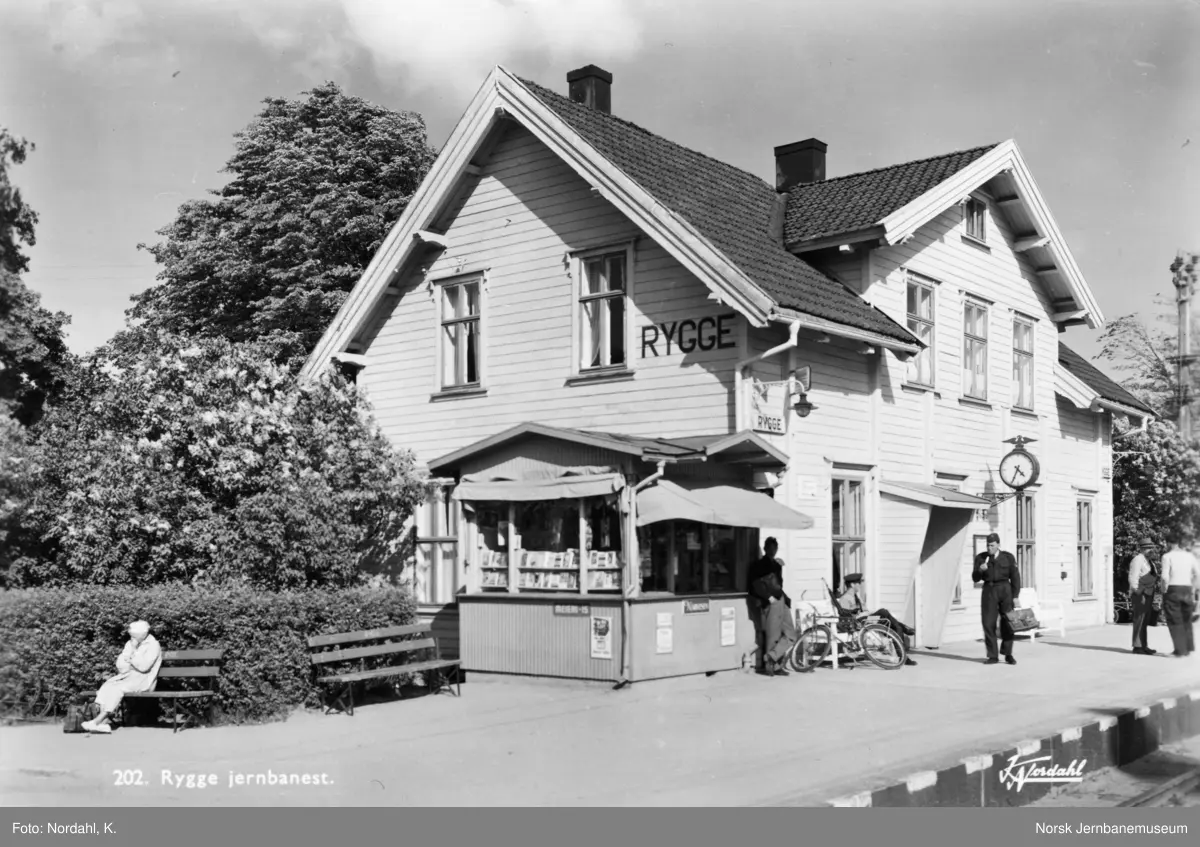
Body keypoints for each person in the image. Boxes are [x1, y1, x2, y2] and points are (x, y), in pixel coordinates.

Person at [82, 620, 163, 734]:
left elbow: (144, 667)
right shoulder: (130, 643)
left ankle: (97, 721)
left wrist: (133, 654)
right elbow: (120, 665)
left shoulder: (153, 645)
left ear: (142, 634)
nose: (131, 638)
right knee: (108, 685)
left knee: (118, 689)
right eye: (131, 635)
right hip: (128, 676)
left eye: (134, 635)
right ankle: (103, 723)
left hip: (144, 680)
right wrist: (132, 663)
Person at [835, 574, 918, 666]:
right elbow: (846, 617)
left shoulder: (856, 597)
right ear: (852, 585)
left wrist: (868, 613)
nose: (860, 585)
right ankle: (905, 630)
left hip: (866, 619)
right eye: (858, 583)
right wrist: (862, 614)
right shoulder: (845, 598)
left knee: (895, 626)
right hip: (859, 623)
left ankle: (903, 655)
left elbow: (864, 610)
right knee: (883, 612)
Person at [747, 537, 796, 676]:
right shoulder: (759, 565)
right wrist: (769, 598)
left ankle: (771, 657)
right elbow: (755, 584)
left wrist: (784, 599)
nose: (773, 550)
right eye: (770, 547)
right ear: (765, 548)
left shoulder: (777, 565)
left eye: (775, 547)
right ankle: (773, 666)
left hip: (781, 599)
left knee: (791, 634)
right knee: (773, 635)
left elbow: (779, 584)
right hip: (771, 601)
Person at [972, 532, 1021, 666]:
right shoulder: (981, 558)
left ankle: (1008, 653)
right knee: (988, 623)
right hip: (989, 590)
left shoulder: (1008, 557)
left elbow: (1015, 577)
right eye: (988, 545)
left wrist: (1015, 596)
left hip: (1005, 589)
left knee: (1008, 622)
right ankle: (992, 655)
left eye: (992, 545)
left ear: (998, 544)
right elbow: (975, 578)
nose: (989, 548)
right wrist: (980, 571)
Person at [1160, 532, 1200, 658]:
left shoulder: (1167, 556)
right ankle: (1188, 647)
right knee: (1186, 619)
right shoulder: (1190, 556)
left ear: (1168, 543)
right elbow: (1198, 574)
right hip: (1187, 588)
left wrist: (1163, 590)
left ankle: (1179, 650)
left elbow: (1165, 576)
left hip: (1173, 588)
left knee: (1174, 619)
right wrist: (1193, 588)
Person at [1127, 538, 1161, 655]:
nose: (1150, 549)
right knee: (1139, 620)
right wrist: (1137, 591)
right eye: (1147, 548)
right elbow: (1133, 577)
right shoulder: (1138, 559)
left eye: (1151, 547)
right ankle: (1137, 646)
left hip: (1148, 593)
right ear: (1142, 549)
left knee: (1145, 620)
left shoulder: (1149, 561)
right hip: (1140, 593)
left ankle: (1143, 645)